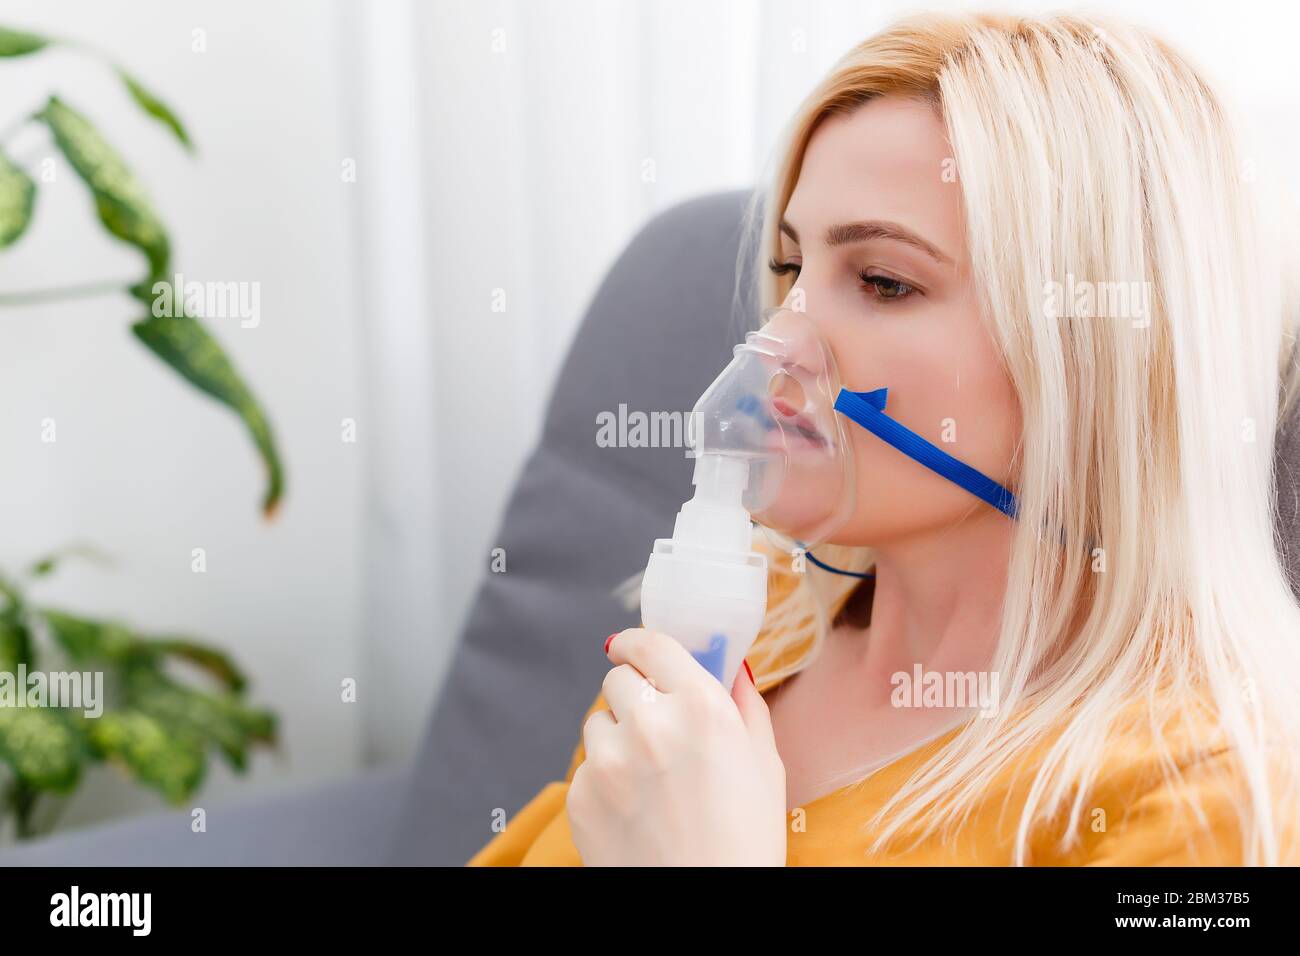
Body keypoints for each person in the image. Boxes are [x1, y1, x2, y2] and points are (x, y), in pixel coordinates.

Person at [469, 10, 1300, 866]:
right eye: (792, 268)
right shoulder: (758, 623)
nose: (780, 342)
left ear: (1099, 353)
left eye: (884, 281)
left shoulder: (1208, 800)